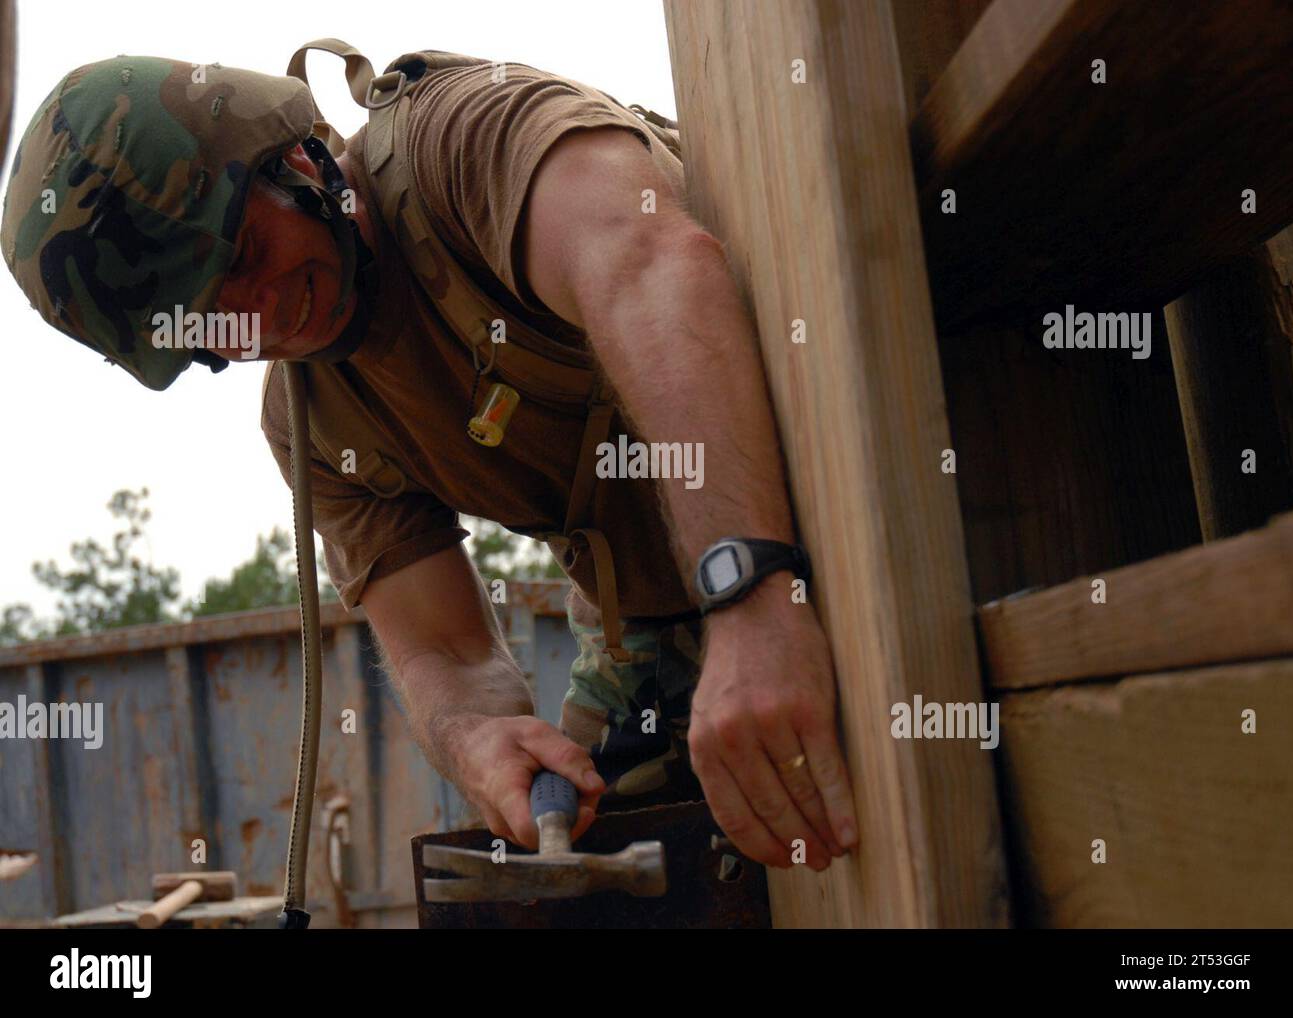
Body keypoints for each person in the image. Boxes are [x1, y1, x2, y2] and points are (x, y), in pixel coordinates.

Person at [1, 47, 858, 871]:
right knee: (579, 864)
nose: (265, 316)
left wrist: (749, 598)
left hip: (829, 464)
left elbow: (650, 269)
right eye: (216, 320)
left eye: (248, 256)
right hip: (657, 617)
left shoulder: (459, 139)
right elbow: (447, 654)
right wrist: (475, 739)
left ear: (291, 159)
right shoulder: (311, 424)